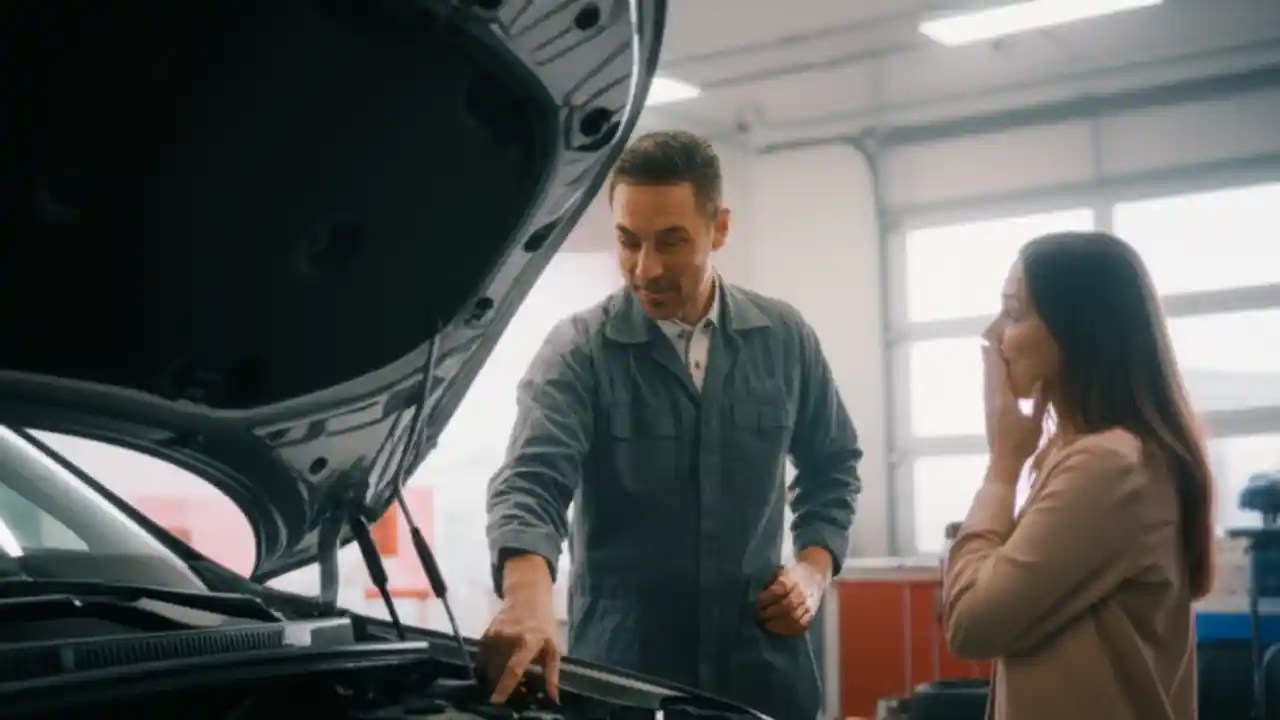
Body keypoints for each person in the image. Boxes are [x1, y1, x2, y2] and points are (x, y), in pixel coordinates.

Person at [479, 130, 863, 719]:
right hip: (624, 684)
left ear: (720, 228)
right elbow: (531, 484)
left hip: (760, 680)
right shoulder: (579, 352)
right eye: (628, 241)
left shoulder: (786, 340)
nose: (646, 269)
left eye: (671, 242)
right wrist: (526, 599)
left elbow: (833, 466)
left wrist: (812, 571)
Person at [943, 231, 1214, 720]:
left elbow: (971, 624)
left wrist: (1002, 467)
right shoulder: (1090, 457)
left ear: (1077, 331)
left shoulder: (1109, 466)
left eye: (1014, 312)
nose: (992, 334)